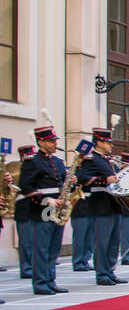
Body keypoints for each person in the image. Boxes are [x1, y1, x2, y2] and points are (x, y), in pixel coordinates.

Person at [18, 125, 68, 295]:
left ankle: (50, 280)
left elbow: (61, 184)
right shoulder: (32, 162)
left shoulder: (58, 162)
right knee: (41, 249)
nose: (54, 143)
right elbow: (25, 187)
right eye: (51, 141)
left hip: (58, 210)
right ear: (41, 142)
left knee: (54, 248)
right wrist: (46, 200)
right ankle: (40, 283)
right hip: (41, 211)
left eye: (54, 140)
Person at [78, 127, 127, 285]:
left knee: (114, 240)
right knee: (103, 241)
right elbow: (83, 178)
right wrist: (105, 181)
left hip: (113, 203)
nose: (110, 145)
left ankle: (110, 270)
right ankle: (101, 273)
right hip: (101, 203)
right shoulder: (90, 159)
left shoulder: (107, 160)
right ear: (98, 142)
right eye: (107, 142)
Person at [12, 144, 35, 280]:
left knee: (35, 241)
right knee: (26, 241)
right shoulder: (16, 170)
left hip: (35, 209)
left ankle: (34, 265)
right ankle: (26, 268)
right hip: (23, 209)